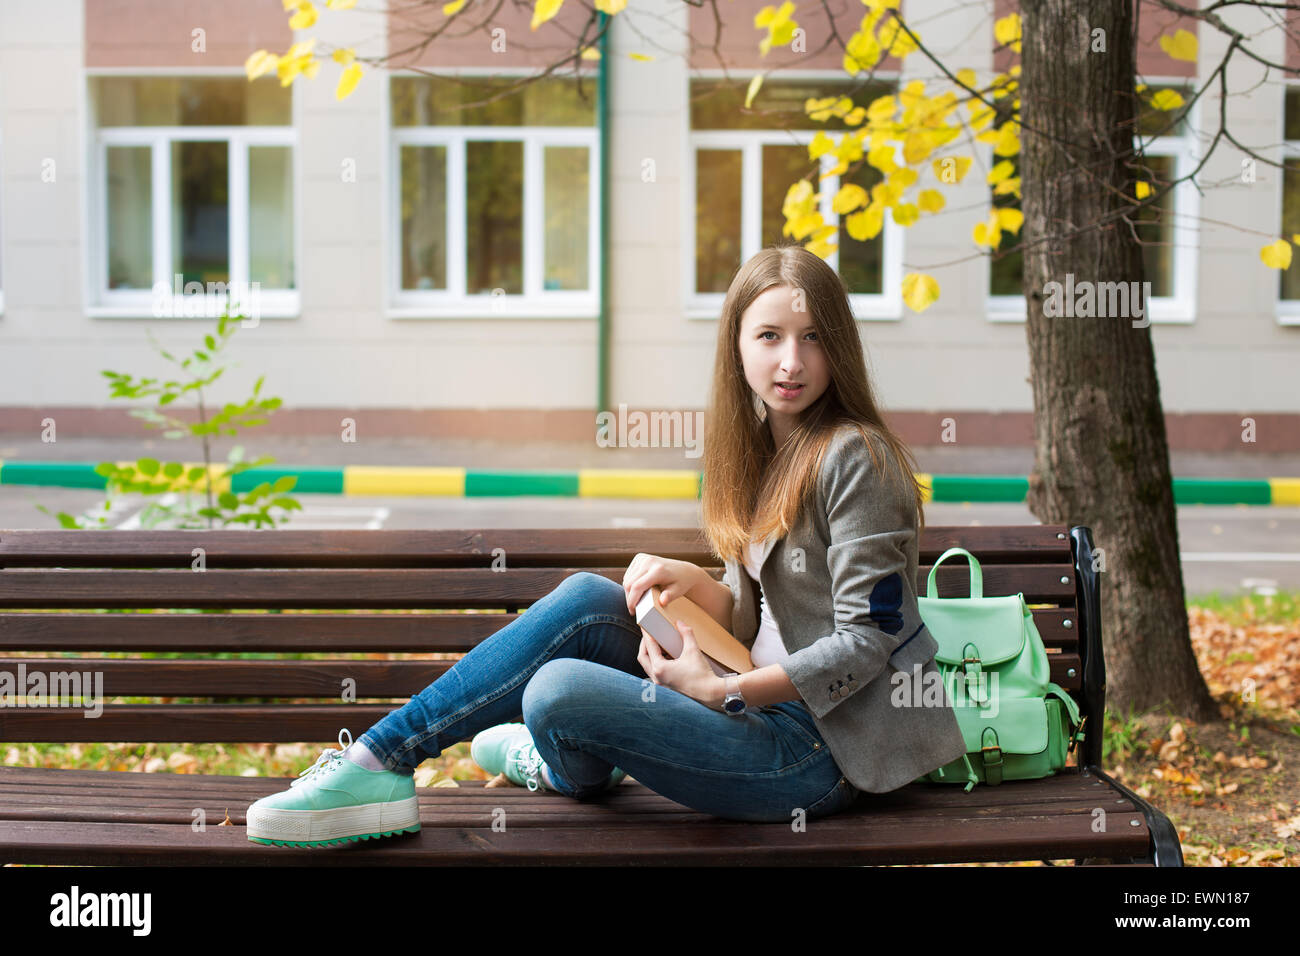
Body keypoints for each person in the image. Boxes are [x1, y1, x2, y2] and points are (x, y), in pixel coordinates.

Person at [245, 242, 967, 847]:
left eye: (813, 338)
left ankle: (559, 764)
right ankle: (381, 758)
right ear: (737, 346)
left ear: (837, 345)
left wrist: (725, 693)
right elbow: (760, 621)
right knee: (593, 599)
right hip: (748, 699)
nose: (791, 361)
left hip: (817, 754)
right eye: (769, 336)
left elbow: (869, 639)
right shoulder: (758, 454)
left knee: (556, 691)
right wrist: (696, 582)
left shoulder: (856, 456)